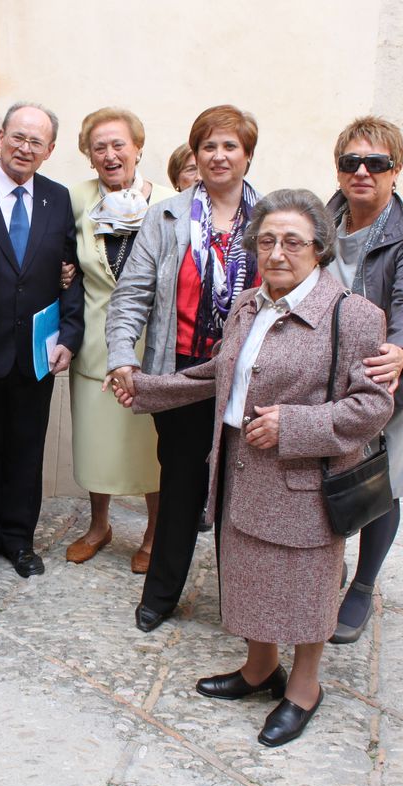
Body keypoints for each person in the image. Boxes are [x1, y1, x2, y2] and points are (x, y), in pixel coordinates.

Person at [113, 188, 393, 746]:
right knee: (245, 576)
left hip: (304, 476)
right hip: (241, 466)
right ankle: (261, 668)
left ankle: (305, 688)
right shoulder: (249, 304)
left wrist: (294, 427)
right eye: (266, 241)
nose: (278, 253)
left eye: (293, 241)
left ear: (320, 249)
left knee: (307, 585)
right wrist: (146, 388)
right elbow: (221, 373)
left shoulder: (353, 316)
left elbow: (372, 407)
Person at [106, 105, 263, 631]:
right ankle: (162, 595)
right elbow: (132, 294)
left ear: (247, 154)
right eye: (208, 146)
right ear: (194, 154)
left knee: (240, 492)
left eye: (230, 146)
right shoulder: (166, 215)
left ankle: (240, 599)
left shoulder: (271, 218)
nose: (219, 156)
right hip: (180, 375)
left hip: (247, 376)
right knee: (180, 485)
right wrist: (123, 355)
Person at [326, 116, 403, 644]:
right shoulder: (320, 222)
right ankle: (331, 567)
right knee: (332, 478)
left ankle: (363, 586)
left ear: (397, 169)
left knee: (378, 486)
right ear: (339, 168)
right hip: (330, 378)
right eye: (352, 162)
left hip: (389, 377)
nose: (363, 172)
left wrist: (400, 350)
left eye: (377, 163)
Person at [0, 102, 84, 577]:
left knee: (26, 448)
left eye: (36, 141)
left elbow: (71, 276)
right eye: (17, 137)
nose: (24, 147)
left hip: (37, 352)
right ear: (0, 136)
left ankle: (18, 540)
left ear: (50, 149)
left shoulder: (58, 198)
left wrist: (69, 337)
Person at [64, 108, 173, 572]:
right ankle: (99, 525)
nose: (110, 155)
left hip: (153, 347)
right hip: (94, 343)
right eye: (99, 147)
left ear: (138, 148)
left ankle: (153, 532)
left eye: (118, 145)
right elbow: (57, 251)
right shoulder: (75, 199)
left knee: (150, 448)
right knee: (97, 441)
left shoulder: (170, 202)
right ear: (89, 156)